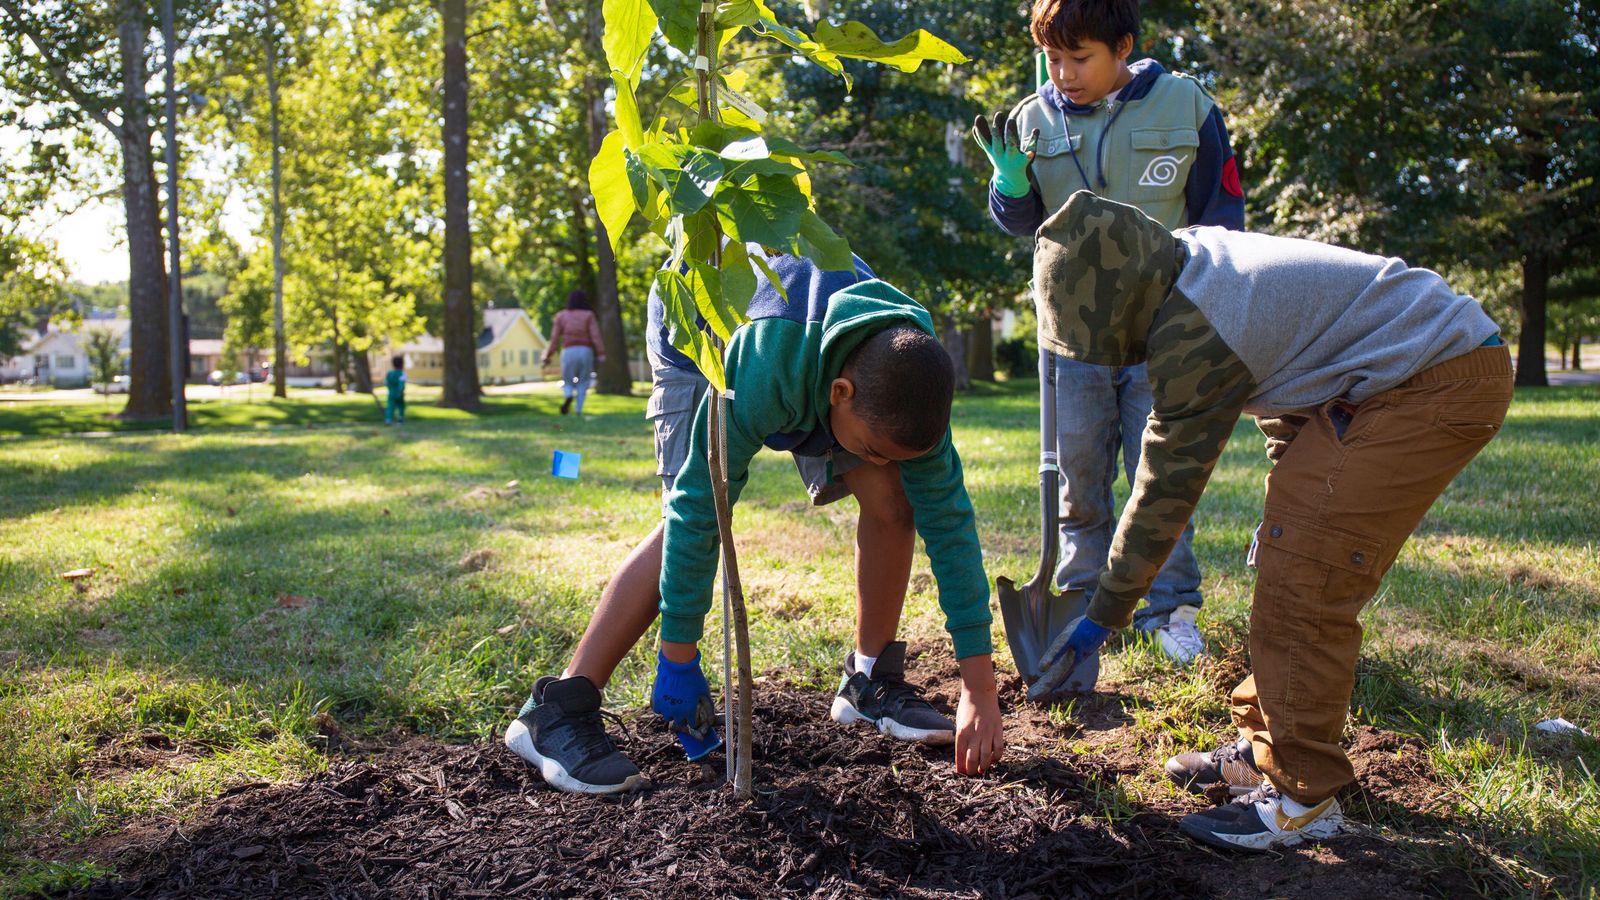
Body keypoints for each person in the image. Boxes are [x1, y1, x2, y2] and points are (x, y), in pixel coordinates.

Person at [1028, 191, 1512, 851]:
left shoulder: (1194, 326)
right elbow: (1295, 376)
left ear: (1122, 301)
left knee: (1304, 575)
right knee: (1289, 555)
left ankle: (1302, 798)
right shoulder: (1188, 261)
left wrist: (1104, 613)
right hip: (1381, 380)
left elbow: (1167, 484)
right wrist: (1293, 499)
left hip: (1431, 379)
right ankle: (1265, 749)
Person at [504, 251, 1005, 794]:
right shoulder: (768, 361)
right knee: (689, 523)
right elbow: (699, 504)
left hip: (818, 355)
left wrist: (979, 687)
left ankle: (867, 679)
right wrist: (678, 651)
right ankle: (556, 711)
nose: (879, 461)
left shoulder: (910, 382)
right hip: (703, 328)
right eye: (872, 448)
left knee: (894, 498)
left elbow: (952, 531)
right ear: (840, 394)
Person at [973, 0, 1245, 665]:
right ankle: (1081, 605)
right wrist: (1009, 186)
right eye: (1053, 58)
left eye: (1080, 57)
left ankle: (1170, 609)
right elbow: (1018, 216)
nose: (1063, 73)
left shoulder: (1186, 107)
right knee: (1079, 482)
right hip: (1072, 340)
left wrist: (1205, 307)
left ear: (1122, 46)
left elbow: (1223, 212)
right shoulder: (1031, 119)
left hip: (1163, 333)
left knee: (1160, 479)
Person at [544, 290, 606, 416]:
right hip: (585, 351)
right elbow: (595, 335)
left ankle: (568, 395)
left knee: (567, 381)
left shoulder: (561, 316)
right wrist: (601, 352)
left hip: (568, 351)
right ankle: (578, 410)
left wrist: (547, 355)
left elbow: (554, 338)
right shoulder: (588, 315)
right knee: (584, 381)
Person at [384, 355, 406, 425]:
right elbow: (401, 383)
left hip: (391, 393)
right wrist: (400, 391)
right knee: (401, 406)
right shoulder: (402, 373)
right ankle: (400, 419)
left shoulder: (389, 373)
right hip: (399, 393)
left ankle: (388, 419)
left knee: (390, 406)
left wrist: (390, 388)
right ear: (402, 364)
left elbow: (386, 382)